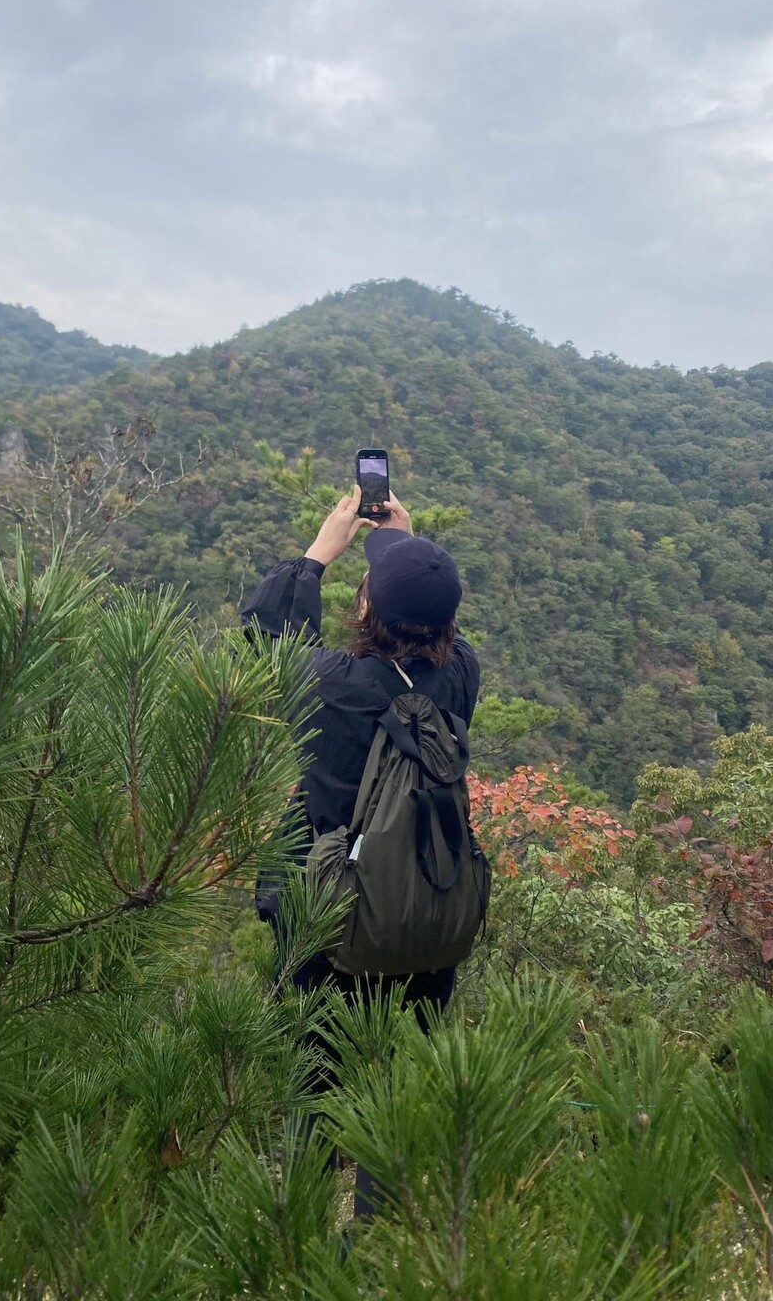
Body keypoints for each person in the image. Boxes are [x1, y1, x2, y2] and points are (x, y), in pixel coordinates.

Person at [240, 483, 480, 1215]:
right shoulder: (458, 681)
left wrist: (321, 553)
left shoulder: (331, 687)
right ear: (447, 622)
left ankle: (305, 1234)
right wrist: (403, 546)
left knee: (312, 1084)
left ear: (366, 608)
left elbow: (264, 641)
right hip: (422, 917)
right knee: (395, 1085)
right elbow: (446, 632)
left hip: (327, 922)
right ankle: (380, 1239)